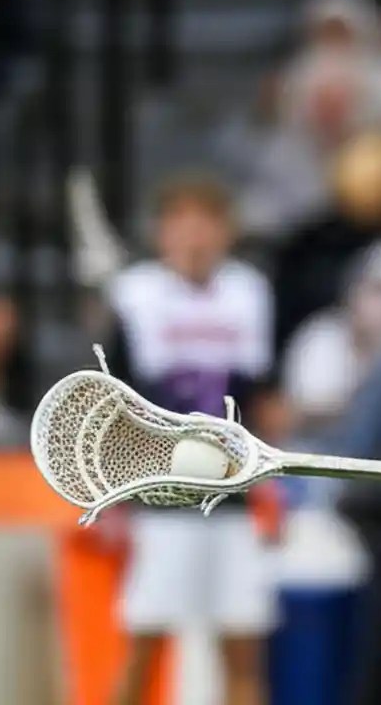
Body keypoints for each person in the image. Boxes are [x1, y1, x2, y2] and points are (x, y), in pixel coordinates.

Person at [103, 172, 279, 705]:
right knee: (145, 642)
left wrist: (272, 486)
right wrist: (114, 498)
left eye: (207, 222)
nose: (195, 237)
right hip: (159, 496)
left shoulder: (248, 293)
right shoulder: (136, 296)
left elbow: (262, 397)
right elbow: (115, 402)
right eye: (182, 222)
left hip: (232, 493)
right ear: (162, 232)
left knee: (243, 644)